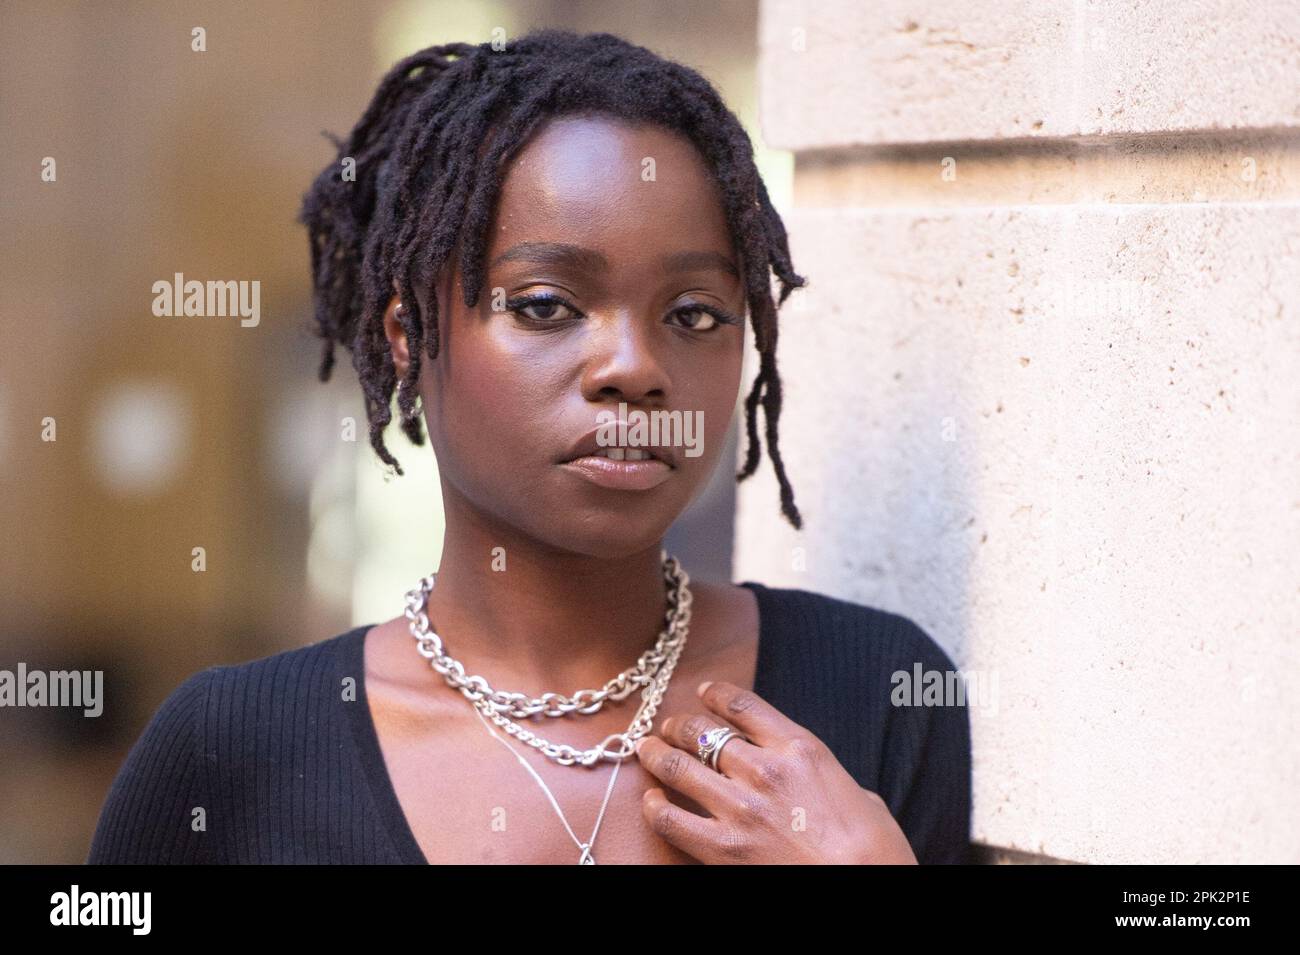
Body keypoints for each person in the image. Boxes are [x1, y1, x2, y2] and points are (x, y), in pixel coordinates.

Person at [87, 28, 972, 865]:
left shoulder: (875, 696)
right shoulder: (234, 752)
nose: (633, 366)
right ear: (410, 333)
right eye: (547, 305)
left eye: (693, 313)